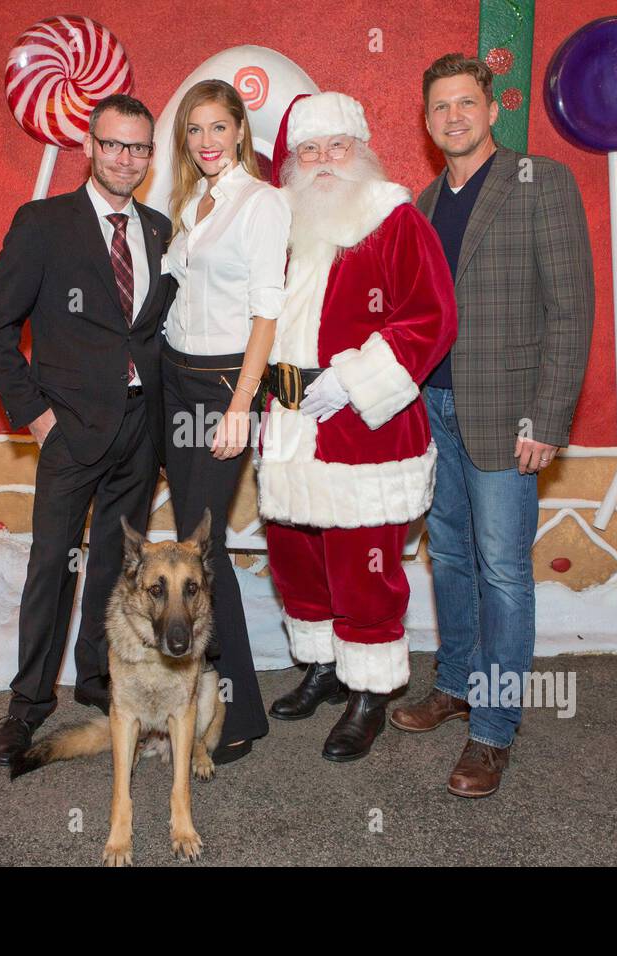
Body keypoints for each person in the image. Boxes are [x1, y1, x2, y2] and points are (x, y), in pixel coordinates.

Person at [389, 54, 594, 797]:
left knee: (504, 568)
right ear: (426, 118)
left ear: (491, 109)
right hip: (432, 409)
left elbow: (571, 311)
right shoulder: (421, 200)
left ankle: (494, 728)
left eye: (465, 103)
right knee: (448, 556)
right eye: (439, 106)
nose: (452, 117)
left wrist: (548, 417)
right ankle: (454, 683)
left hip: (508, 415)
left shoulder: (543, 182)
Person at [0, 94, 174, 772]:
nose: (125, 158)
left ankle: (95, 676)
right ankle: (28, 702)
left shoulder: (157, 228)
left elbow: (152, 330)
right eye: (113, 145)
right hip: (69, 426)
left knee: (119, 565)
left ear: (151, 155)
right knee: (51, 566)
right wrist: (35, 413)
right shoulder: (43, 223)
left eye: (139, 147)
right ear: (90, 147)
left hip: (140, 427)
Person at [259, 91, 457, 762]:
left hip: (364, 427)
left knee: (362, 564)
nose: (323, 162)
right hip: (289, 424)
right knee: (295, 551)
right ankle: (321, 663)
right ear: (291, 162)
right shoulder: (278, 221)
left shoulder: (394, 219)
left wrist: (352, 378)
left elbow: (431, 317)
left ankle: (369, 691)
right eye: (309, 150)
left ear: (362, 151)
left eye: (336, 147)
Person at [161, 79, 290, 765]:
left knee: (203, 553)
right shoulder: (192, 202)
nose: (207, 142)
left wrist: (242, 405)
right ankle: (198, 687)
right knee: (188, 543)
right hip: (174, 378)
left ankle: (243, 714)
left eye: (218, 127)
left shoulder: (262, 203)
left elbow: (267, 313)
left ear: (241, 130)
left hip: (221, 385)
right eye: (195, 130)